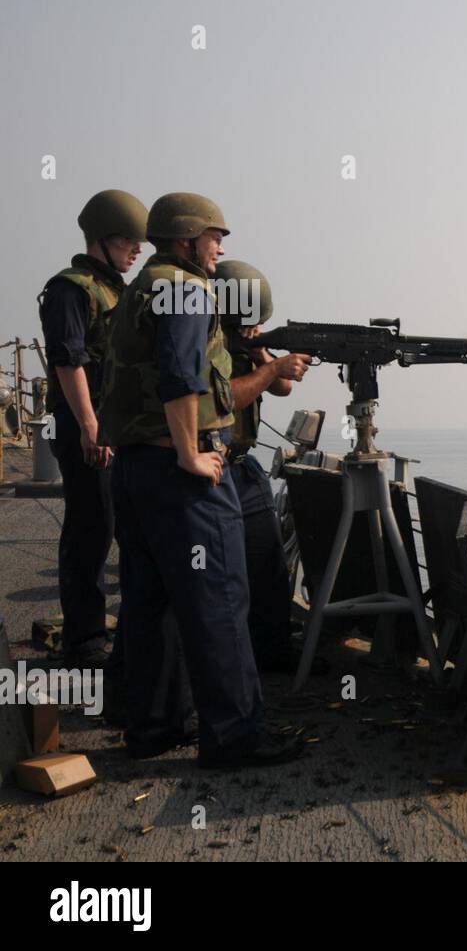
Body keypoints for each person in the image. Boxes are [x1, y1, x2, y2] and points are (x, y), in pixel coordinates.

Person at [97, 192, 302, 767]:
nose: (219, 247)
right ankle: (235, 737)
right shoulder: (186, 289)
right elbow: (183, 377)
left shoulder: (147, 284)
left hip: (137, 471)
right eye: (214, 237)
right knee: (219, 601)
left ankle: (154, 728)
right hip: (177, 473)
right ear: (186, 239)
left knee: (152, 601)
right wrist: (190, 454)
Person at [37, 189, 146, 671]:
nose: (136, 251)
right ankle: (83, 643)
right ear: (102, 240)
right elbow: (68, 360)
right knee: (91, 529)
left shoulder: (116, 289)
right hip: (84, 424)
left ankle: (113, 635)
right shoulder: (70, 289)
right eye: (128, 242)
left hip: (113, 426)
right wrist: (89, 427)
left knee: (120, 524)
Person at [212, 259, 320, 674]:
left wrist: (261, 351)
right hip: (214, 466)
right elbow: (224, 398)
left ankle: (273, 655)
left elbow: (282, 386)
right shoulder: (207, 342)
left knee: (267, 564)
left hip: (244, 465)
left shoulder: (244, 342)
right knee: (225, 575)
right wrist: (273, 364)